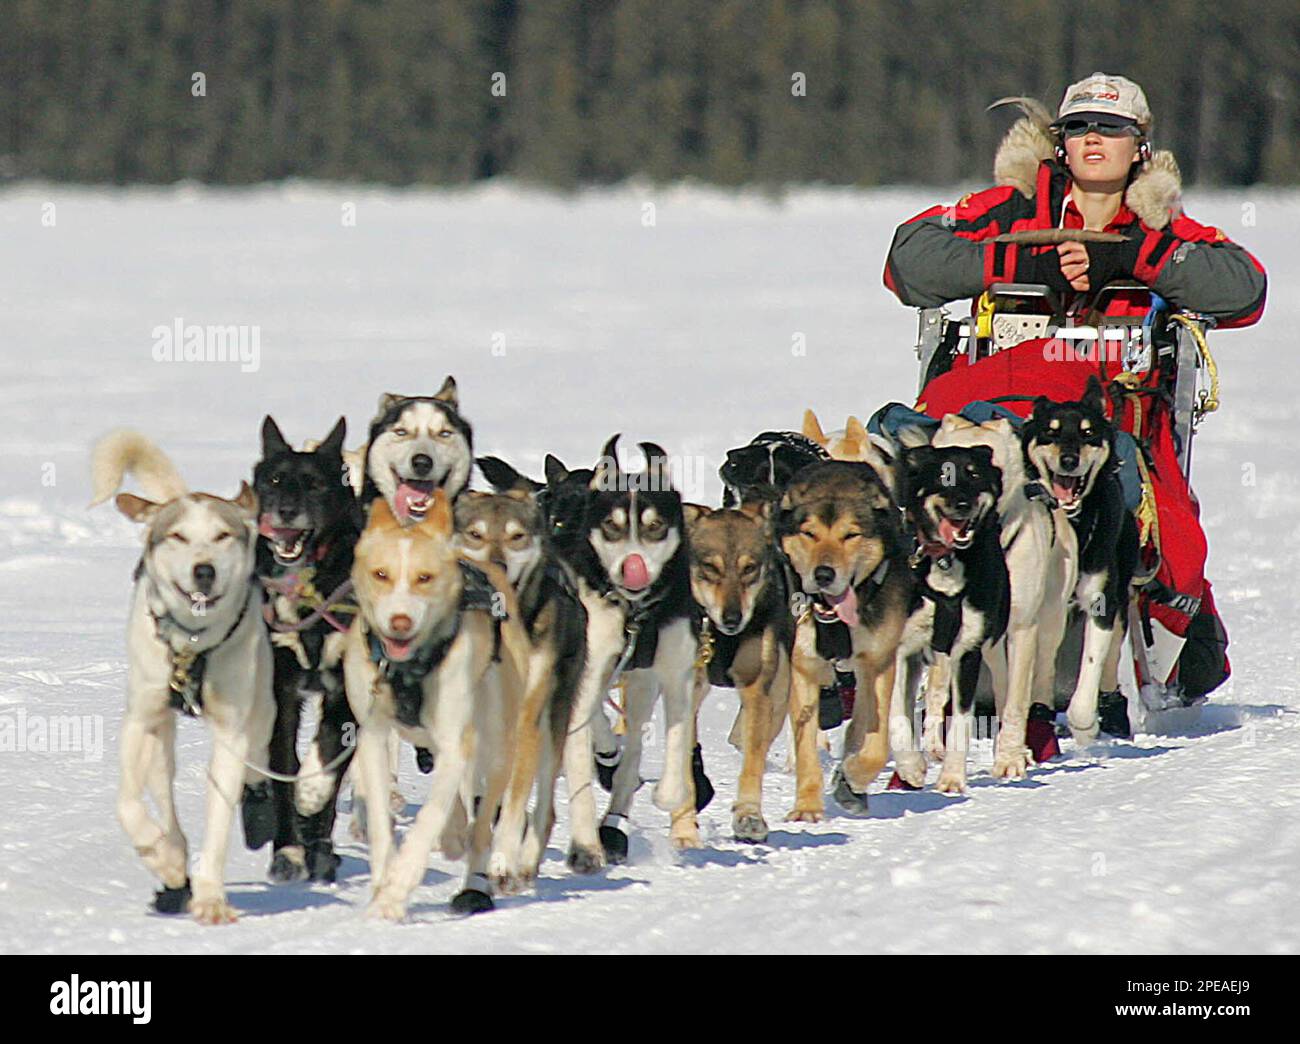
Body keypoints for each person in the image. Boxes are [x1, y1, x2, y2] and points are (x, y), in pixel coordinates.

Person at [881, 73, 1267, 750]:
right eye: (1080, 128)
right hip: (995, 403)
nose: (1095, 140)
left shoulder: (1161, 223)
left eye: (1112, 129)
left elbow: (1242, 288)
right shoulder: (1013, 206)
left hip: (1112, 415)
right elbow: (909, 260)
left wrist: (1135, 257)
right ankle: (872, 656)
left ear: (1140, 147)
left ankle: (1094, 678)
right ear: (1059, 144)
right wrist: (1014, 261)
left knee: (1121, 489)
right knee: (899, 452)